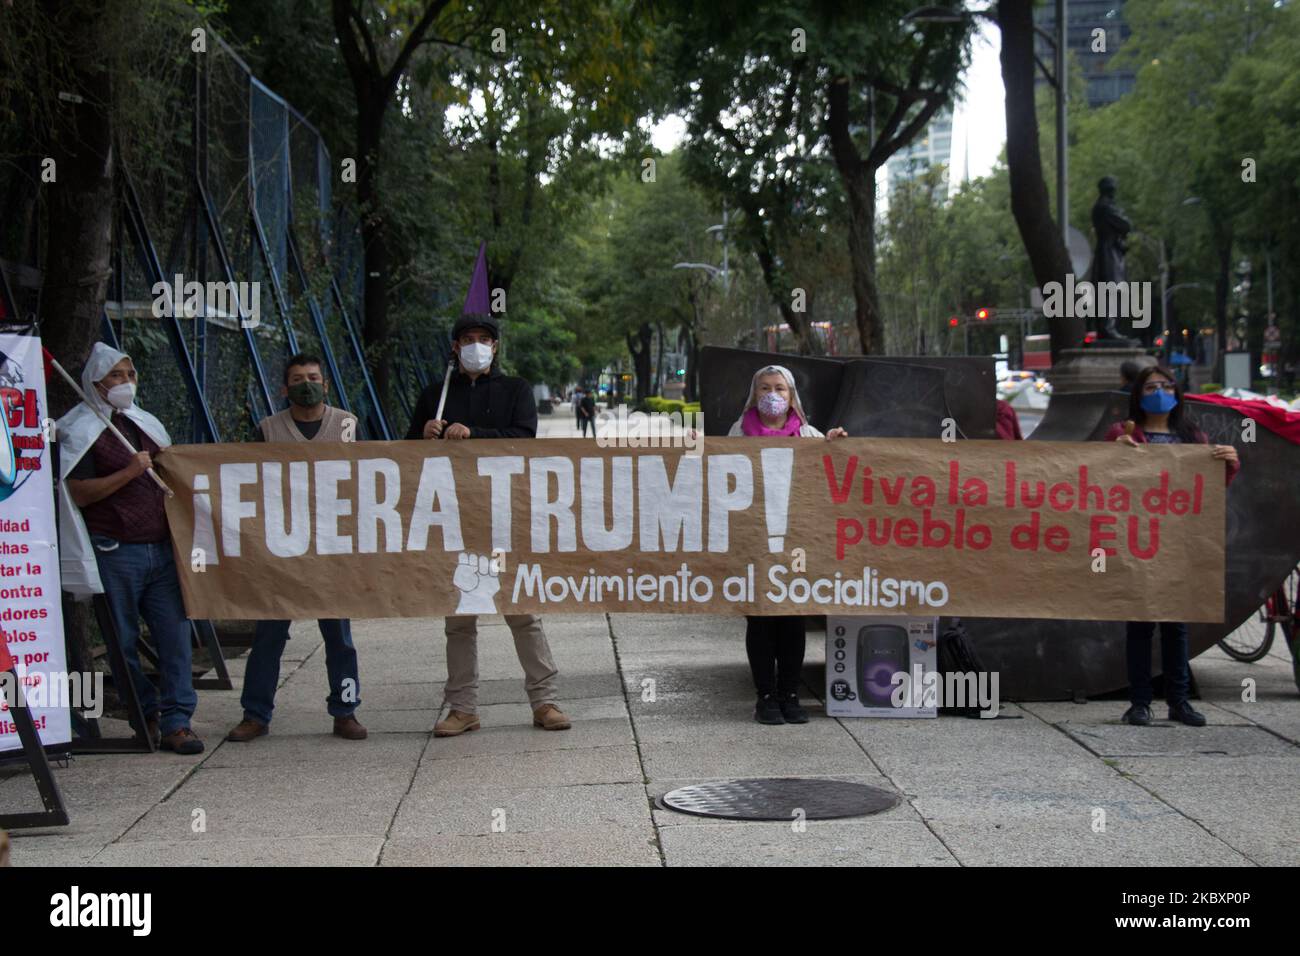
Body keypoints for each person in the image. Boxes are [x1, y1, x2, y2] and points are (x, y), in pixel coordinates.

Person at [406, 314, 571, 736]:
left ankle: (545, 700)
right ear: (455, 347)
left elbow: (523, 437)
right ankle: (462, 707)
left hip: (504, 513)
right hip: (453, 519)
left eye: (483, 339)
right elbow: (405, 457)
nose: (475, 345)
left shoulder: (515, 390)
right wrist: (420, 435)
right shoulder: (434, 395)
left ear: (495, 347)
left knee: (521, 610)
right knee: (459, 617)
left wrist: (473, 433)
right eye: (467, 339)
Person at [57, 343, 203, 754]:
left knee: (175, 637)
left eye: (130, 375)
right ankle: (146, 710)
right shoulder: (79, 430)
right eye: (116, 376)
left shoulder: (146, 424)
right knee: (120, 642)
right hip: (115, 551)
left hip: (160, 550)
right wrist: (130, 471)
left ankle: (178, 721)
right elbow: (80, 493)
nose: (126, 383)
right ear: (96, 383)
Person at [226, 354, 366, 743]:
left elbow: (365, 479)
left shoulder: (347, 424)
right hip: (283, 551)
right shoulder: (268, 429)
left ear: (325, 384)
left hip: (331, 550)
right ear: (284, 389)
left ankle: (346, 710)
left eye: (314, 377)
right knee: (268, 637)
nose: (308, 383)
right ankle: (255, 714)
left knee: (339, 637)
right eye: (299, 378)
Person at [1102, 365, 1239, 728]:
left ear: (1177, 394)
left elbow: (1205, 493)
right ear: (1138, 395)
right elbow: (1101, 480)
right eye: (1151, 387)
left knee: (1176, 626)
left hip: (1179, 542)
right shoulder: (1124, 433)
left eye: (1166, 386)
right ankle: (1140, 703)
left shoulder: (1192, 437)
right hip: (1138, 541)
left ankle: (1179, 701)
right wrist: (1113, 453)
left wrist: (1227, 465)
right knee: (1140, 624)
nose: (1159, 392)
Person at [728, 365, 847, 724]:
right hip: (755, 539)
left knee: (793, 617)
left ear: (792, 395)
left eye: (780, 387)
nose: (772, 394)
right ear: (754, 394)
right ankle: (765, 697)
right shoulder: (737, 435)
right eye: (764, 387)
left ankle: (790, 695)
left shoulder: (810, 436)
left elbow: (830, 477)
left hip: (798, 541)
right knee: (762, 618)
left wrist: (837, 446)